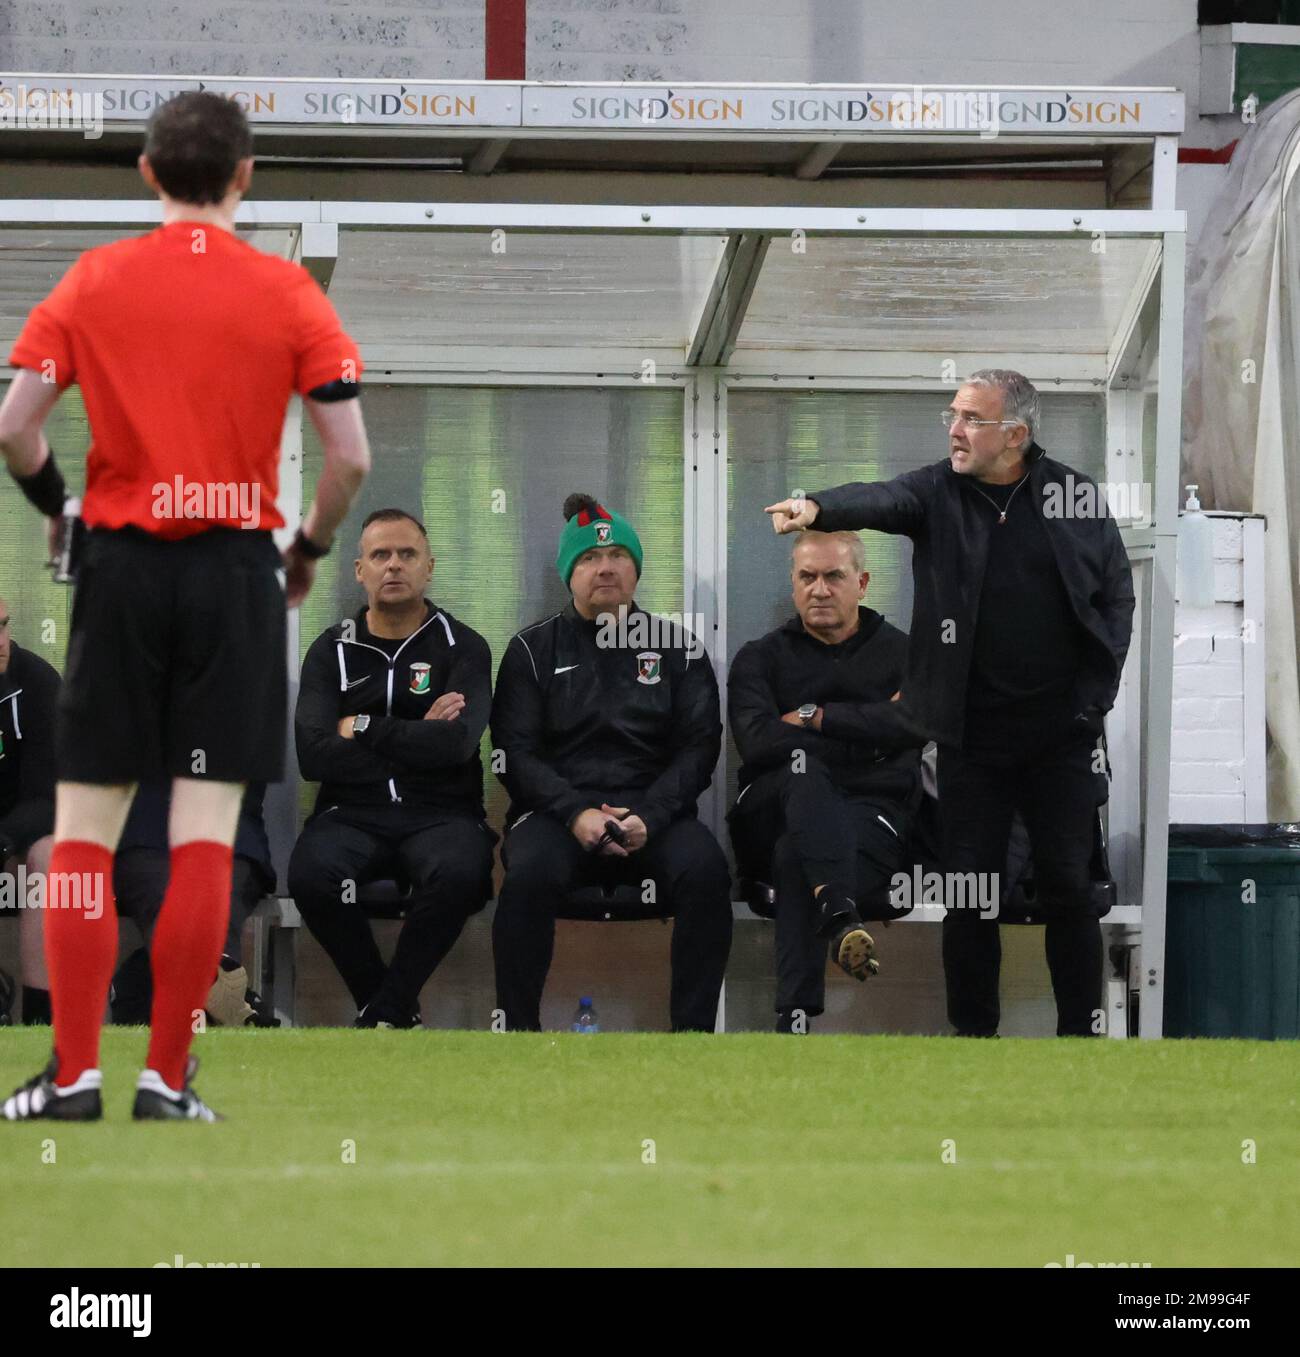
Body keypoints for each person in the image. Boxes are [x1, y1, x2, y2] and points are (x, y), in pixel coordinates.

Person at [0, 90, 370, 1121]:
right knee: (207, 831)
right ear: (246, 176)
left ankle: (73, 1074)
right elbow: (349, 457)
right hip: (233, 576)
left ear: (148, 173)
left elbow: (16, 427)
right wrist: (303, 549)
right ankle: (165, 1078)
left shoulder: (96, 278)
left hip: (120, 571)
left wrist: (58, 510)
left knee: (83, 835)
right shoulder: (286, 290)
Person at [766, 370, 1134, 1038]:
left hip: (1060, 737)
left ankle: (1082, 1038)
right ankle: (973, 1039)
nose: (955, 430)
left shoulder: (1073, 497)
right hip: (971, 740)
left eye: (970, 418)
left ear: (1014, 434)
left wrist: (1092, 701)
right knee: (970, 896)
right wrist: (815, 506)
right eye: (953, 415)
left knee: (1069, 892)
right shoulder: (939, 491)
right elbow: (880, 498)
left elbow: (1116, 596)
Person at [491, 493, 732, 1032]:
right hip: (555, 819)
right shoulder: (531, 651)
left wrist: (649, 814)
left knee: (707, 871)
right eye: (587, 559)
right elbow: (513, 755)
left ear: (636, 568)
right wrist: (577, 813)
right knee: (526, 875)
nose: (604, 567)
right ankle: (517, 1034)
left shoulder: (677, 648)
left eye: (618, 555)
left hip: (655, 818)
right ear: (567, 574)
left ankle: (692, 1038)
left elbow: (700, 748)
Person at [290, 509, 497, 1029]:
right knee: (313, 876)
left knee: (461, 874)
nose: (394, 566)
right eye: (380, 555)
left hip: (442, 813)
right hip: (350, 813)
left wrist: (358, 723)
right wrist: (417, 735)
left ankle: (389, 1007)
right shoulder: (329, 649)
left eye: (407, 554)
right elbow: (312, 756)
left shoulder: (464, 647)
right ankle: (386, 1007)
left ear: (430, 567)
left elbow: (456, 746)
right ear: (359, 570)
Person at [728, 531, 923, 1033]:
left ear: (861, 582)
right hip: (770, 810)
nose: (819, 589)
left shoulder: (906, 654)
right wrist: (870, 730)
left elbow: (913, 730)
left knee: (799, 852)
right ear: (793, 585)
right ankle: (839, 917)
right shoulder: (759, 658)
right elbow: (756, 742)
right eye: (807, 577)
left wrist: (813, 717)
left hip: (872, 819)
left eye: (833, 576)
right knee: (802, 774)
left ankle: (795, 1018)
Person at [108, 781, 279, 1028]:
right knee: (166, 896)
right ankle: (215, 990)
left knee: (214, 893)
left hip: (227, 833)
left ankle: (204, 991)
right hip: (146, 834)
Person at [0, 597, 59, 1024]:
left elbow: (49, 796)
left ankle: (41, 1022)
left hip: (17, 842)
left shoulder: (38, 682)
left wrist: (4, 841)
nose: (0, 642)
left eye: (3, 627)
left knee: (52, 857)